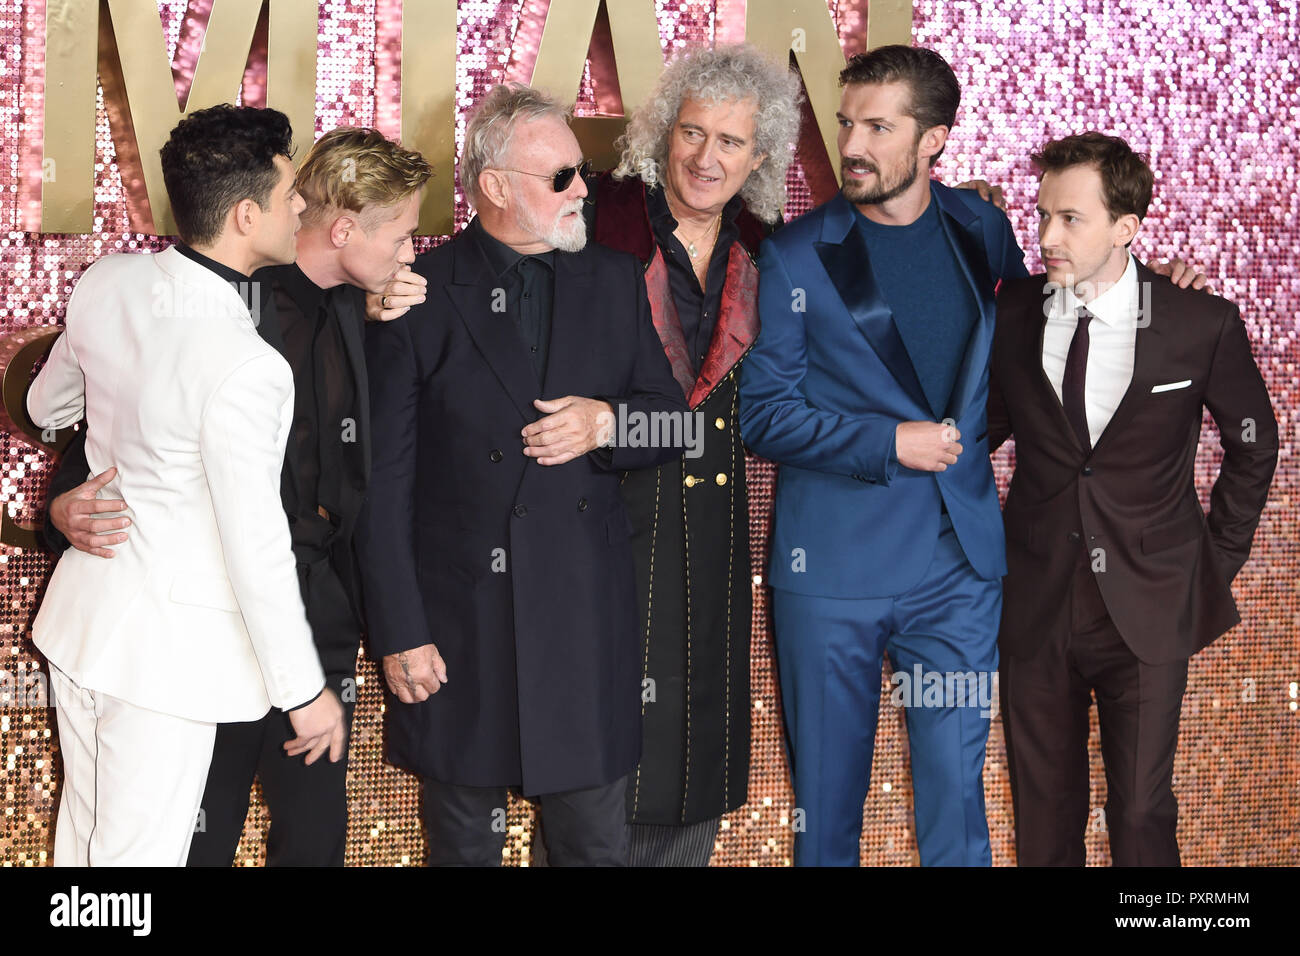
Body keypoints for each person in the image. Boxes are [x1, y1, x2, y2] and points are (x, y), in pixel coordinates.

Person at [738, 46, 1205, 867]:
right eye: (847, 122)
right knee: (827, 810)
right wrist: (888, 442)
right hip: (833, 574)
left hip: (959, 569)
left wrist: (1139, 292)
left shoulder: (980, 227)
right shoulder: (793, 254)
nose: (853, 144)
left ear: (934, 141)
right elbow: (764, 414)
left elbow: (1042, 336)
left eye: (880, 127)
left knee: (958, 806)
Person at [45, 127, 431, 866]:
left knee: (100, 852)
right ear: (250, 215)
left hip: (155, 618)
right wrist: (304, 692)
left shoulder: (116, 282)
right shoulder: (232, 339)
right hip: (185, 639)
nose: (302, 207)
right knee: (161, 852)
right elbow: (250, 540)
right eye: (292, 196)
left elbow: (48, 401)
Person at [354, 83, 688, 866]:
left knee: (591, 846)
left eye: (584, 174)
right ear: (496, 186)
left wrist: (607, 424)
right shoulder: (418, 297)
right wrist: (400, 632)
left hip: (582, 624)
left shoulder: (614, 278)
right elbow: (383, 483)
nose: (584, 192)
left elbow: (676, 423)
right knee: (463, 844)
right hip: (461, 630)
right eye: (563, 178)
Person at [988, 132, 1277, 866]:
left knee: (1143, 812)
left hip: (1151, 605)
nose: (1046, 235)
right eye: (1042, 213)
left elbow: (1254, 443)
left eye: (1070, 219)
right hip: (1036, 601)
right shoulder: (1013, 310)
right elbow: (981, 430)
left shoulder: (1196, 321)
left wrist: (1213, 562)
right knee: (1043, 812)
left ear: (1127, 229)